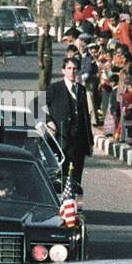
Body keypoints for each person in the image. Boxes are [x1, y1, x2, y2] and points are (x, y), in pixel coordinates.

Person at [46, 57, 93, 195]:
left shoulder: (81, 90)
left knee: (76, 180)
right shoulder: (55, 88)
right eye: (69, 69)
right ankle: (61, 209)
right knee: (61, 178)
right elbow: (35, 104)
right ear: (63, 70)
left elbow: (85, 116)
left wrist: (89, 140)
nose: (72, 72)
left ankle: (76, 210)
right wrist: (48, 121)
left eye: (74, 69)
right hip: (62, 141)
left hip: (78, 142)